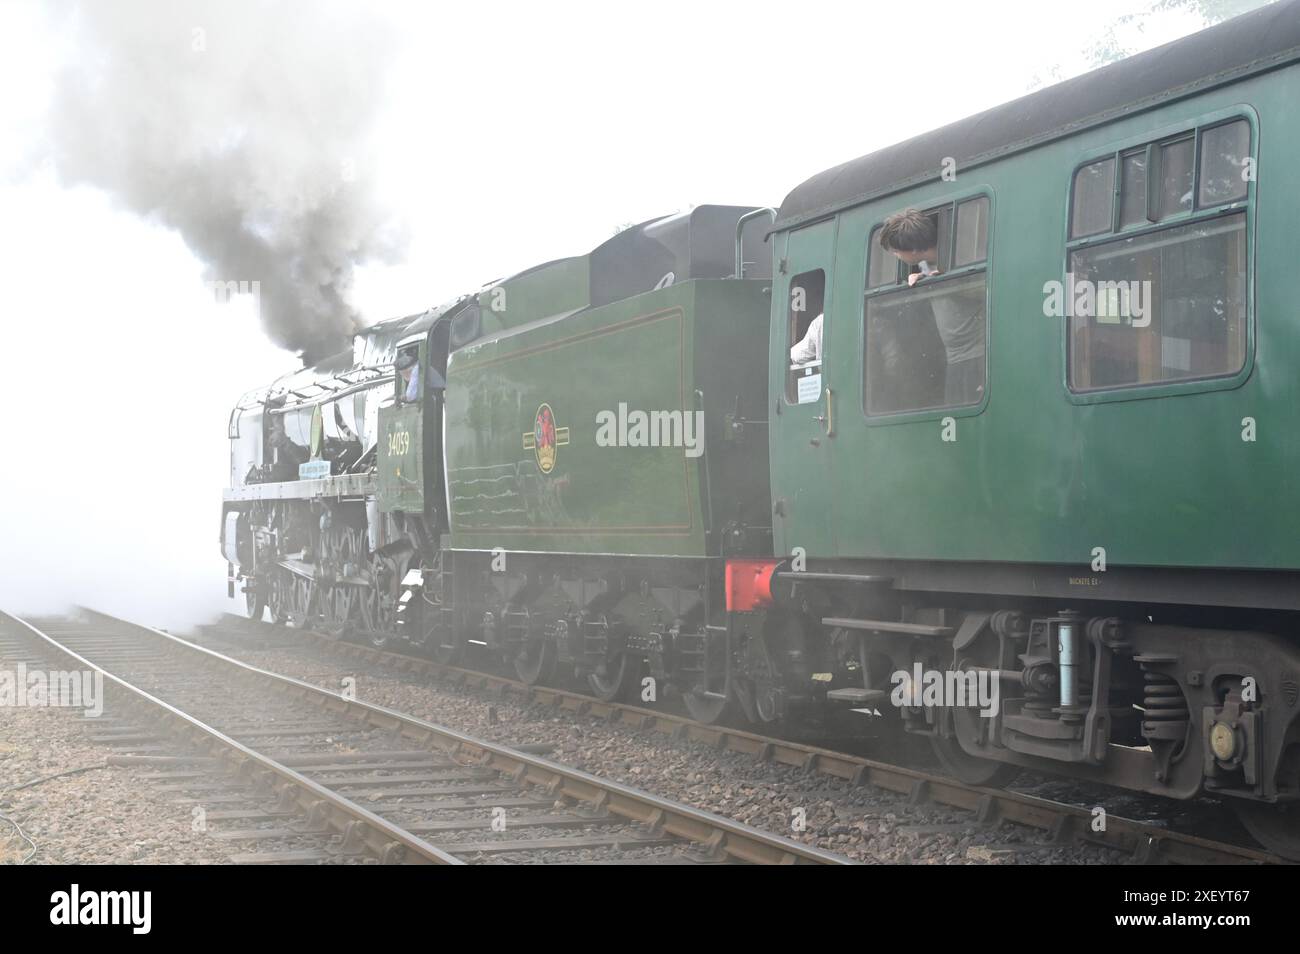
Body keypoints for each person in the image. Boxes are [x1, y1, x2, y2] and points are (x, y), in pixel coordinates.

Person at [878, 208, 985, 406]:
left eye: (896, 251)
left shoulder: (962, 257)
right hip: (954, 358)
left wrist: (946, 282)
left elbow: (986, 291)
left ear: (914, 249)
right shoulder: (924, 267)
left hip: (976, 356)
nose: (895, 255)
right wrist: (923, 285)